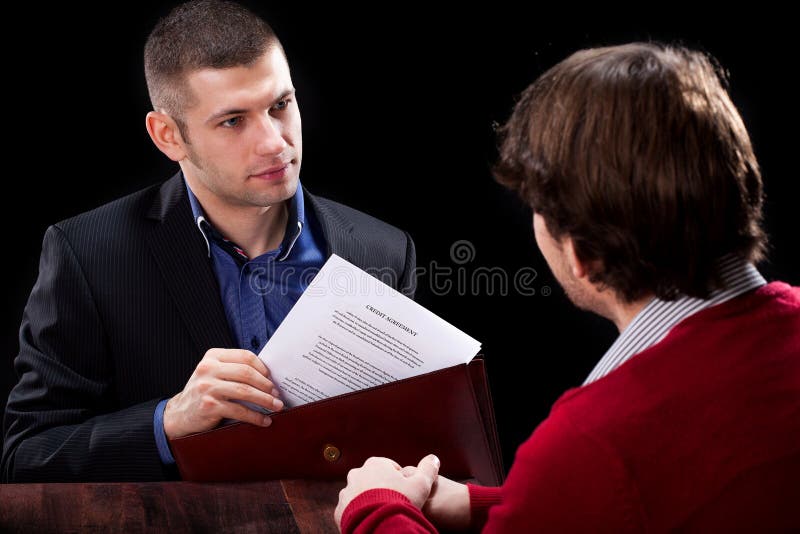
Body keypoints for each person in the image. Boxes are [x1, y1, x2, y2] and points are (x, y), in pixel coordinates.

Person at [334, 42, 800, 531]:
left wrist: (380, 508)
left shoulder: (593, 443)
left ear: (583, 255)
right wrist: (500, 504)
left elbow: (617, 475)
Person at [2, 0, 416, 482]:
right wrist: (168, 422)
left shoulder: (384, 251)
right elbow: (26, 456)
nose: (274, 143)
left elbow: (409, 436)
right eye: (233, 121)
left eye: (280, 105)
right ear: (168, 136)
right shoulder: (89, 256)